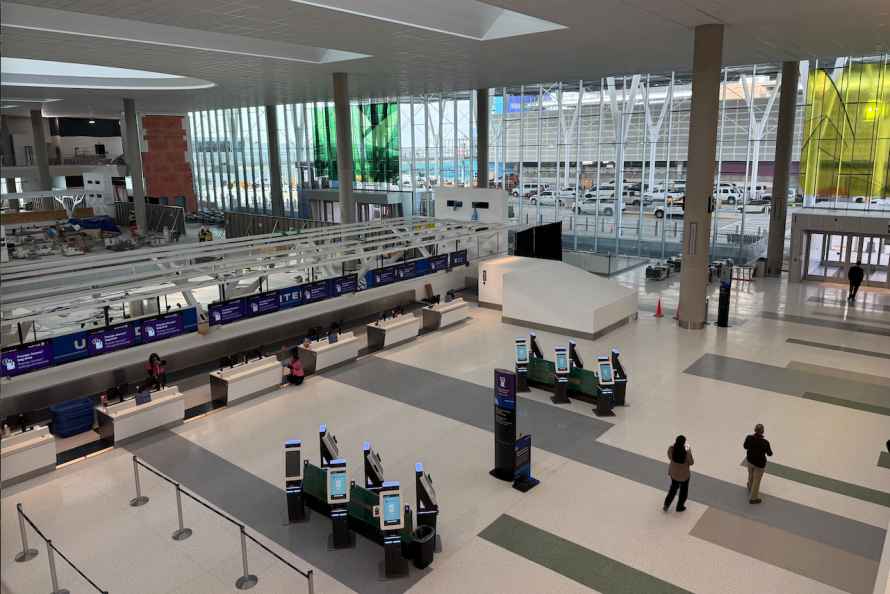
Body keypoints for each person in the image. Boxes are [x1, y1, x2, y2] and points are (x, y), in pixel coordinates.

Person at [744, 424, 773, 504]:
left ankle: (750, 486)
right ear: (763, 431)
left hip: (750, 461)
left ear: (754, 430)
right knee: (756, 481)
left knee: (750, 474)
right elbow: (770, 454)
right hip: (759, 465)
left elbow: (745, 447)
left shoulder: (749, 438)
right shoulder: (765, 442)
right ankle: (753, 499)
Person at [664, 435, 694, 512]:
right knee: (683, 491)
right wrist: (688, 450)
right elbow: (691, 462)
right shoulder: (686, 453)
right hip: (684, 475)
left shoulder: (671, 449)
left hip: (674, 473)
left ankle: (666, 504)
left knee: (673, 488)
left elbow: (669, 457)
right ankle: (680, 506)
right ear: (684, 443)